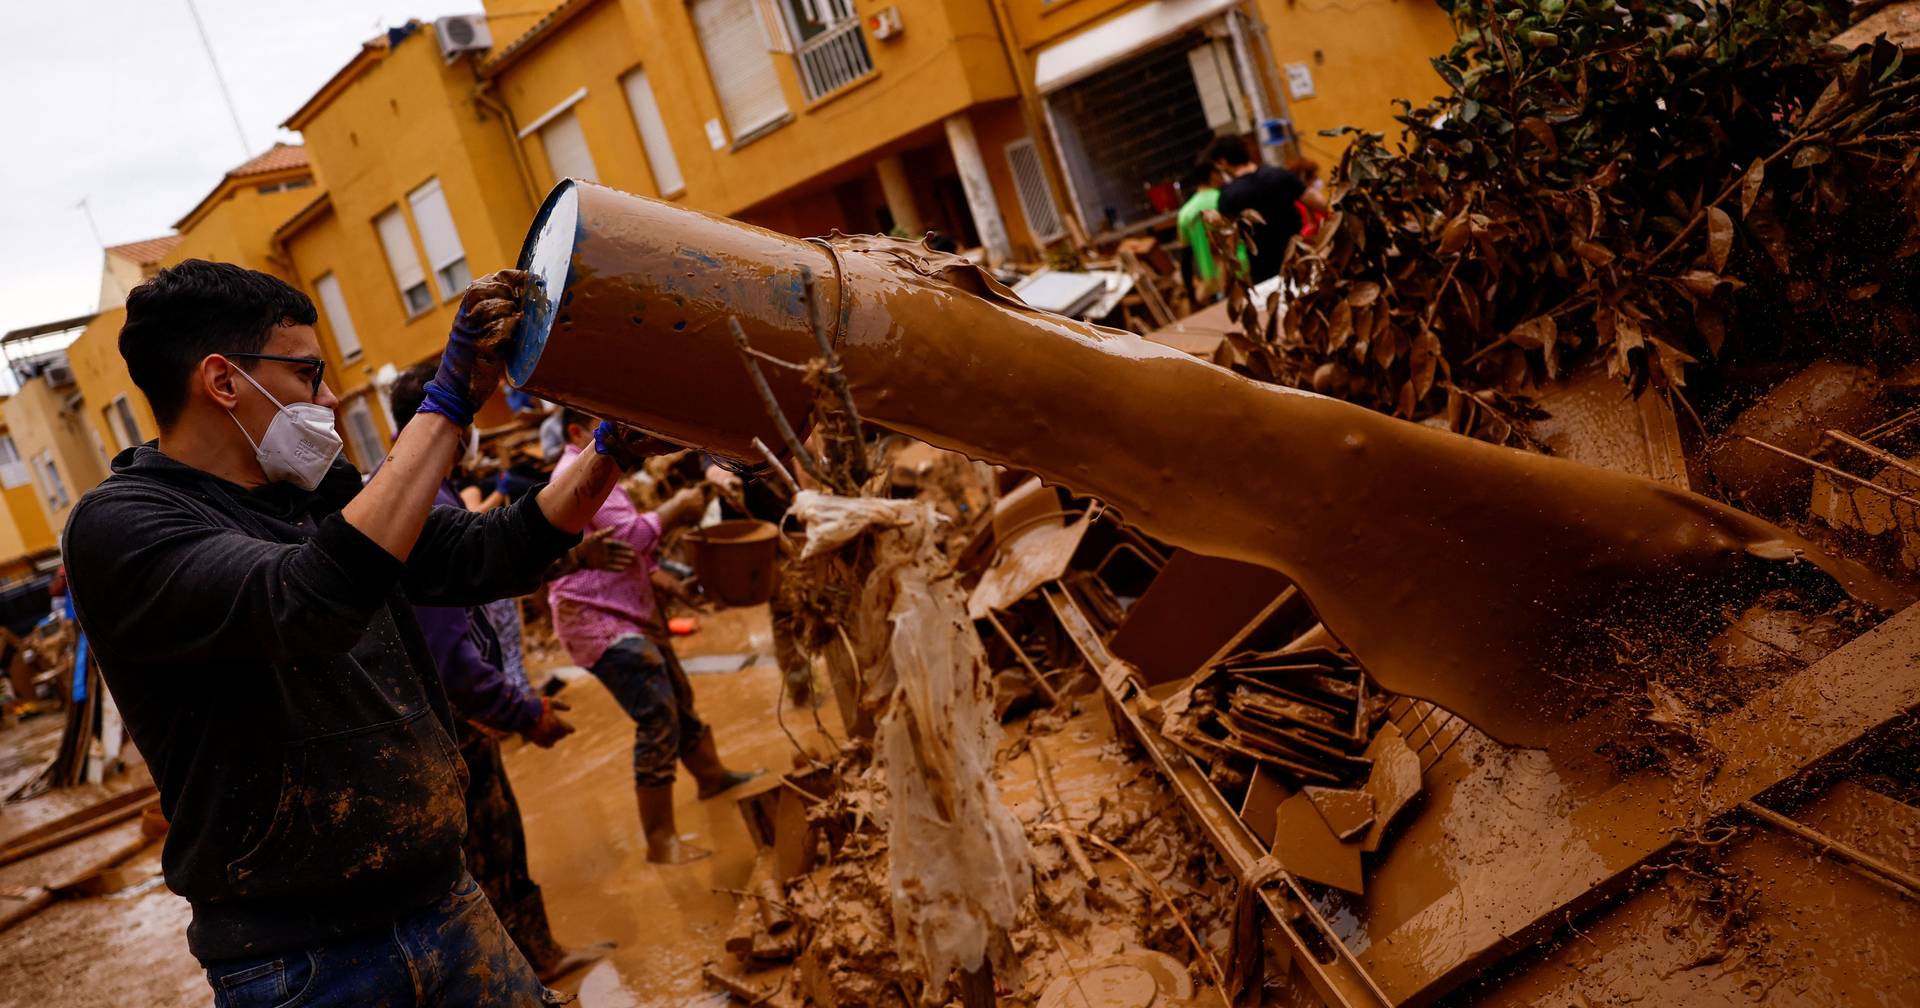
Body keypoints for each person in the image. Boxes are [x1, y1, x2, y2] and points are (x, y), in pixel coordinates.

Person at [64, 259, 643, 1006]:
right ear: (223, 381)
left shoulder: (315, 492)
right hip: (302, 962)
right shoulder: (126, 526)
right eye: (308, 374)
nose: (329, 397)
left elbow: (482, 553)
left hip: (447, 904)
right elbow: (310, 600)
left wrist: (610, 453)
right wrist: (447, 404)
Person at [388, 363, 618, 987]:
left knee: (490, 852)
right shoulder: (421, 505)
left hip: (452, 720)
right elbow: (451, 658)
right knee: (495, 852)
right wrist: (520, 711)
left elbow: (498, 562)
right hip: (459, 727)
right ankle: (528, 969)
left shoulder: (414, 495)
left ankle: (525, 967)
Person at [548, 409, 760, 865]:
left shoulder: (601, 470)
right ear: (575, 432)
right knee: (657, 712)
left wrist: (669, 585)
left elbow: (627, 553)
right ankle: (660, 840)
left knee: (677, 695)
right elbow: (630, 533)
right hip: (599, 621)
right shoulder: (575, 473)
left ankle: (711, 776)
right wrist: (676, 510)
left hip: (627, 610)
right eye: (602, 424)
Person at [1210, 136, 1328, 283]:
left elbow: (1229, 245)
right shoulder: (1278, 174)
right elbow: (1318, 202)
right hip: (1301, 261)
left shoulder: (1228, 196)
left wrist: (1231, 280)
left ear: (1223, 162)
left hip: (1265, 275)